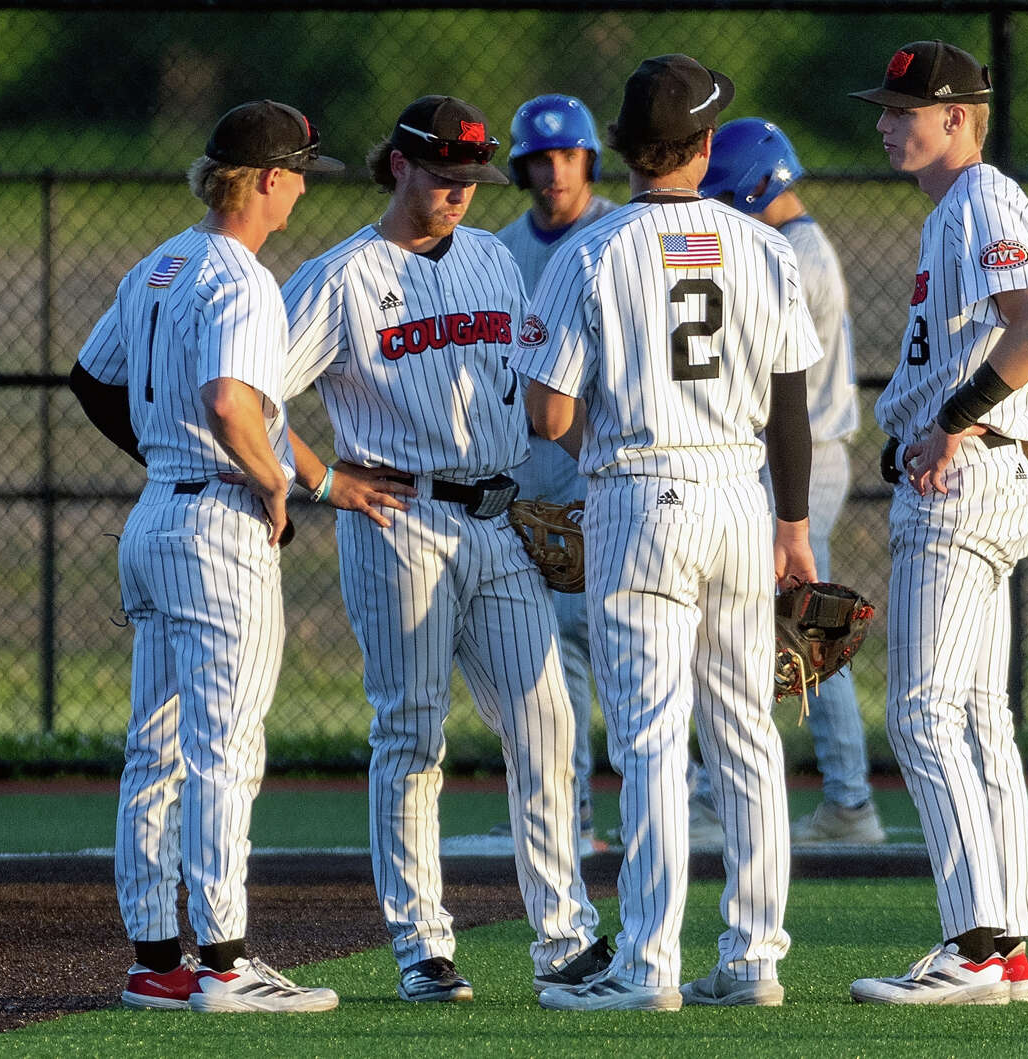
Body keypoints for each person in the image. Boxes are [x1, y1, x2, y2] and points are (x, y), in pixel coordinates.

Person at [280, 94, 609, 1004]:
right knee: (412, 729)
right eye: (442, 175)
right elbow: (246, 388)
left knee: (546, 719)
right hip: (398, 521)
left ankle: (566, 938)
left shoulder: (498, 260)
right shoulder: (341, 276)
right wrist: (321, 479)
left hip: (500, 520)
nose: (460, 192)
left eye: (471, 177)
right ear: (396, 166)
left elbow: (542, 387)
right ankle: (422, 944)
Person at [512, 54, 823, 1011]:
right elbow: (792, 408)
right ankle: (753, 956)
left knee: (650, 737)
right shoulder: (764, 248)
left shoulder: (588, 253)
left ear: (622, 150)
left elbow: (549, 417)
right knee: (747, 735)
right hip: (740, 494)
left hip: (640, 496)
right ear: (703, 147)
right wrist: (794, 528)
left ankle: (646, 965)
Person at [68, 99, 342, 1013]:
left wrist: (162, 450)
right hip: (218, 526)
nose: (305, 186)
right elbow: (231, 402)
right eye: (300, 170)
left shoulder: (161, 262)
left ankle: (158, 959)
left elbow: (90, 377)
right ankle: (226, 961)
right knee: (225, 750)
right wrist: (271, 480)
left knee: (155, 752)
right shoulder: (243, 277)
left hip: (154, 521)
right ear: (266, 179)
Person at [847, 41, 1028, 1005]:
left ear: (959, 118)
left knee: (924, 714)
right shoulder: (957, 211)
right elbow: (1014, 343)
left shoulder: (981, 198)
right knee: (977, 720)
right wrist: (991, 411)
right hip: (976, 470)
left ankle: (972, 944)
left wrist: (957, 417)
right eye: (888, 108)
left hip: (957, 480)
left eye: (906, 110)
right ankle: (1005, 946)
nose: (887, 122)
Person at [688, 117, 885, 848]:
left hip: (799, 456)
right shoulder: (794, 245)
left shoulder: (792, 255)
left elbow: (763, 374)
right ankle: (837, 796)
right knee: (786, 628)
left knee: (794, 631)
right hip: (801, 453)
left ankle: (841, 800)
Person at [488, 93, 620, 852]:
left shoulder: (616, 233)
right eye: (539, 158)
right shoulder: (504, 250)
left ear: (589, 159)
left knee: (622, 652)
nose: (553, 171)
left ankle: (644, 813)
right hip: (530, 477)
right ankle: (567, 817)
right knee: (548, 664)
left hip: (604, 469)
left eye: (566, 154)